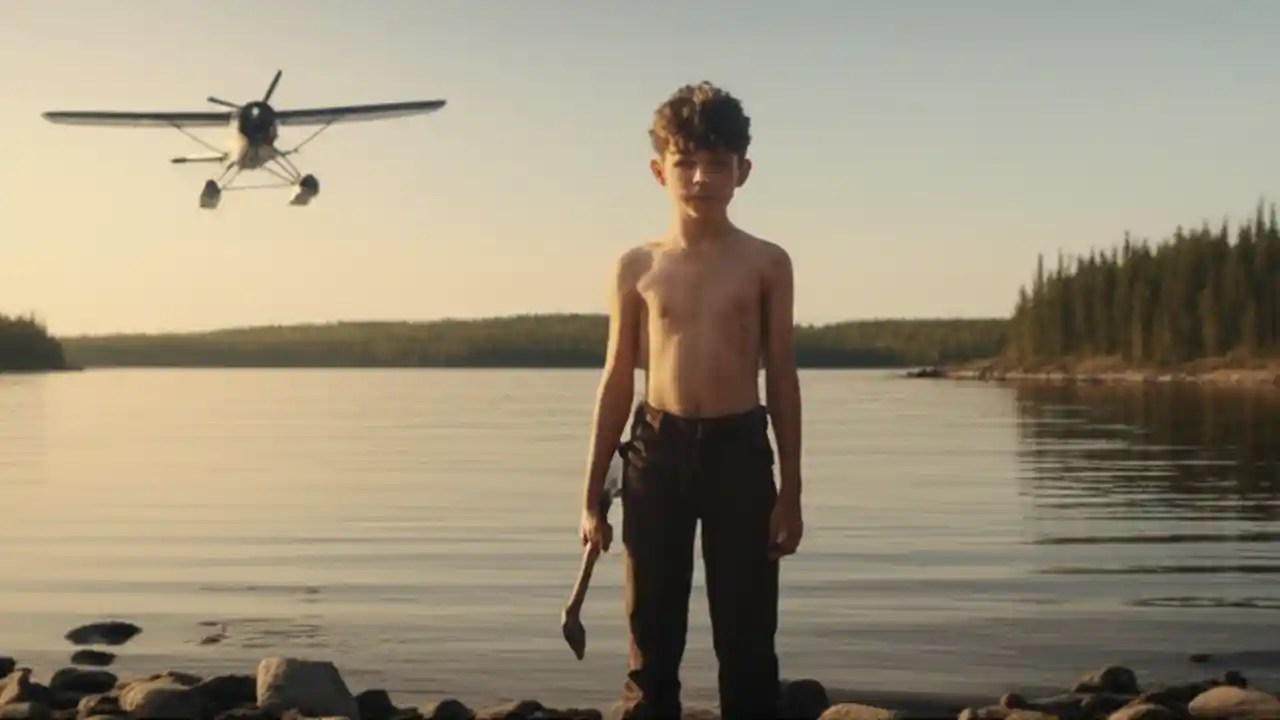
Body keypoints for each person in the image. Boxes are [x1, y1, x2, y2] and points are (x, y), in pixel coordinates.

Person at [578, 81, 804, 719]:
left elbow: (781, 377)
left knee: (749, 638)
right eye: (686, 163)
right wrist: (592, 489)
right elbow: (618, 377)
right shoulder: (636, 265)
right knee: (651, 640)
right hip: (656, 454)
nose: (702, 177)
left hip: (739, 452)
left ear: (743, 171)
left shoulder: (767, 263)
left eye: (718, 163)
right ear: (659, 170)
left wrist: (791, 490)